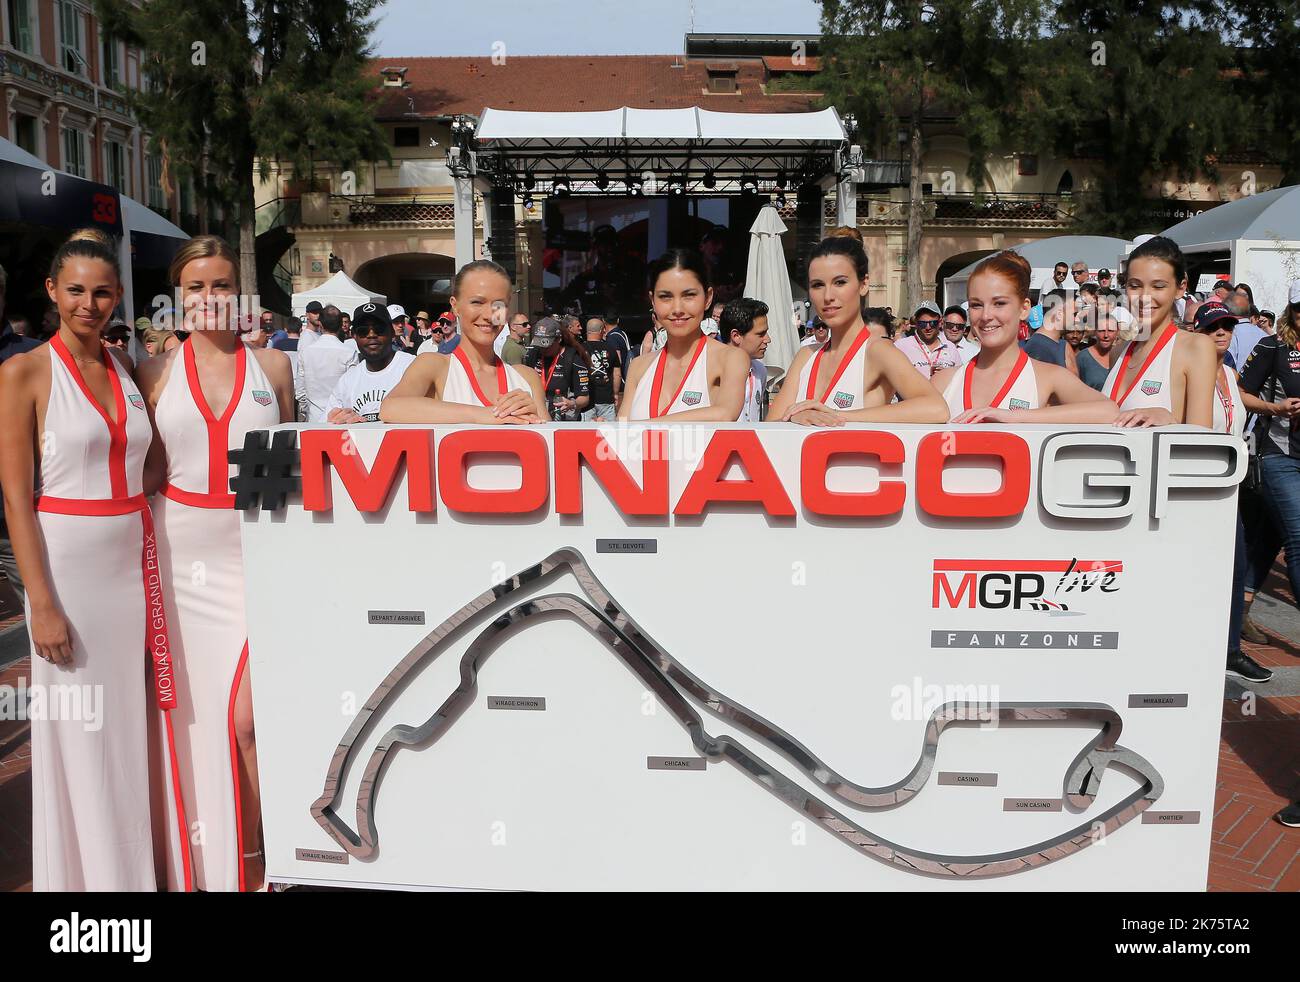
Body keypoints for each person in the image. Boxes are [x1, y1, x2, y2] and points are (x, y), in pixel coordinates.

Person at [0, 229, 158, 890]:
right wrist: (42, 604)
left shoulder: (126, 368)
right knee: (84, 732)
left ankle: (130, 871)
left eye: (100, 292)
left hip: (134, 566)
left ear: (117, 294)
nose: (88, 303)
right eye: (75, 291)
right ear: (51, 293)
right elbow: (14, 494)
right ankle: (89, 885)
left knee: (128, 730)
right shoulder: (23, 371)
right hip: (70, 573)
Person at [135, 235, 294, 892]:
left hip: (257, 546)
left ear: (240, 293)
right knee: (193, 723)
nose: (209, 298)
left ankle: (262, 857)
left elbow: (285, 476)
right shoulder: (153, 373)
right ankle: (205, 866)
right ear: (179, 297)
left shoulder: (274, 370)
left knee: (250, 721)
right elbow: (145, 474)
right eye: (196, 287)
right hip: (179, 561)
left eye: (221, 285)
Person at [767, 237, 948, 426]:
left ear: (864, 284)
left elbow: (937, 409)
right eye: (817, 285)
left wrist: (838, 415)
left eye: (840, 282)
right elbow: (769, 426)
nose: (828, 296)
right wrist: (795, 417)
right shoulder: (806, 355)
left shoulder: (878, 351)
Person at [933, 251, 1118, 424]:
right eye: (976, 305)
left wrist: (1017, 417)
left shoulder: (1048, 377)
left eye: (999, 303)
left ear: (1024, 308)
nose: (986, 315)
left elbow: (1109, 410)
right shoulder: (944, 380)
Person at [381, 260, 546, 424]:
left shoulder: (527, 377)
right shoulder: (434, 366)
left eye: (499, 305)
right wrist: (480, 414)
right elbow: (390, 408)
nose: (489, 315)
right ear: (455, 306)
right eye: (477, 302)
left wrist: (534, 416)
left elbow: (550, 441)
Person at [1238, 282, 1300, 673]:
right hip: (1279, 455)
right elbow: (1239, 391)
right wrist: (1274, 407)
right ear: (1290, 310)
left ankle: (1239, 609)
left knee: (1271, 536)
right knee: (1297, 537)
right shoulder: (1273, 346)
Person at [620, 249, 749, 421]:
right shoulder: (638, 366)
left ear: (708, 298)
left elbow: (725, 413)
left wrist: (644, 427)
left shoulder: (730, 358)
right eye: (665, 297)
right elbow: (621, 431)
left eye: (689, 296)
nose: (677, 309)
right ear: (653, 301)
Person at [1106, 237, 1216, 427]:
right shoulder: (1118, 351)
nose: (1144, 297)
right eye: (1135, 285)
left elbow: (1202, 443)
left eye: (1158, 286)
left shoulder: (1196, 347)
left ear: (1180, 288)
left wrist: (1170, 421)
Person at [327, 303, 416, 423]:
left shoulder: (413, 367)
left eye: (379, 329)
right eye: (363, 331)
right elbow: (327, 422)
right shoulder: (347, 381)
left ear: (392, 332)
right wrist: (335, 420)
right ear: (354, 336)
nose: (371, 334)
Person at [295, 304, 358, 423]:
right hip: (340, 419)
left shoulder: (306, 352)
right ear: (341, 325)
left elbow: (300, 391)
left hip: (314, 417)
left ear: (321, 324)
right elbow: (353, 389)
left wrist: (306, 411)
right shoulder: (349, 353)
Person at [529, 317, 592, 421]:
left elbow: (584, 398)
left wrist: (572, 404)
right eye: (539, 344)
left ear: (559, 339)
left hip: (563, 421)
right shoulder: (533, 355)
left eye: (547, 345)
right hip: (537, 418)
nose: (543, 349)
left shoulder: (573, 358)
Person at [721, 297, 771, 422]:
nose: (768, 339)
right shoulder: (712, 369)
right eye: (761, 334)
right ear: (736, 336)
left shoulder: (760, 371)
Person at [894, 302, 962, 378]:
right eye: (923, 323)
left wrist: (947, 375)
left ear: (940, 322)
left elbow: (960, 380)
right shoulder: (901, 346)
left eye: (933, 323)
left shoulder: (950, 348)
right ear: (916, 323)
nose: (928, 327)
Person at [581, 317, 621, 421]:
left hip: (586, 399)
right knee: (608, 432)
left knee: (587, 433)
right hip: (606, 397)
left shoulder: (579, 349)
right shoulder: (611, 349)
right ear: (601, 331)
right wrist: (615, 394)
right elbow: (617, 374)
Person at [1024, 289, 1073, 371]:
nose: (1078, 319)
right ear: (1059, 314)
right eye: (1074, 314)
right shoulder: (1039, 347)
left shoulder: (1051, 344)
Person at [1076, 313, 1120, 390]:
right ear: (1095, 331)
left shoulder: (1121, 356)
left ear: (1117, 332)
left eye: (1110, 331)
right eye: (1101, 330)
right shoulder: (1082, 358)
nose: (1106, 335)